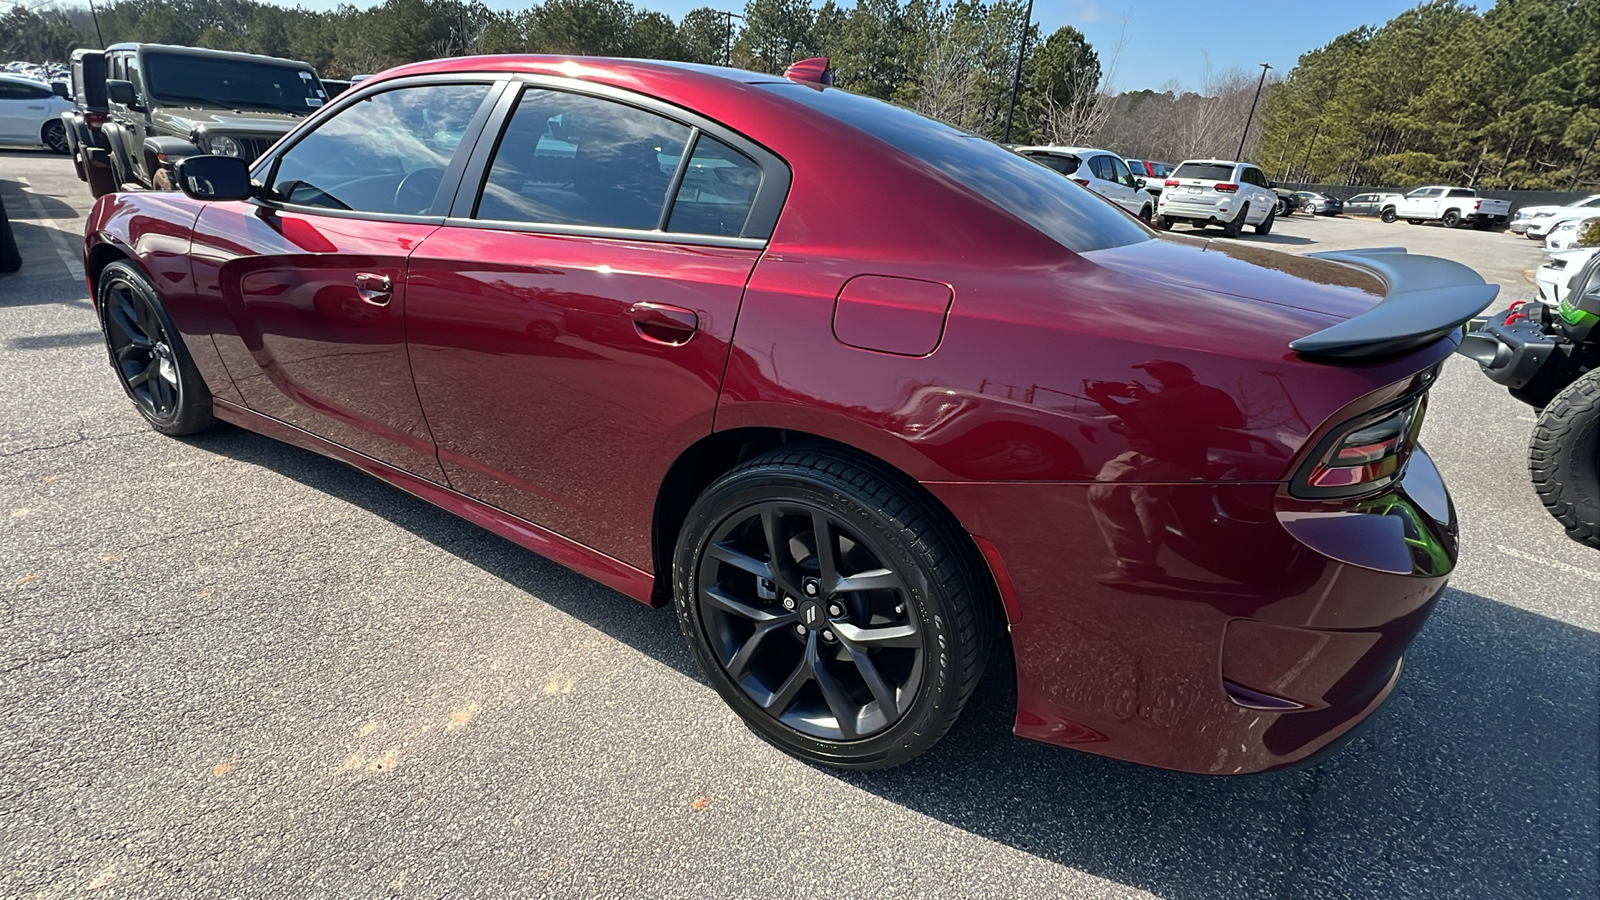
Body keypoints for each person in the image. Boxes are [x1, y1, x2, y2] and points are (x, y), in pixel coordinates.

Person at [1085, 360, 1245, 585]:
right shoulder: (1158, 397)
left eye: (1159, 370)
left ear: (1186, 371)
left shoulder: (1202, 392)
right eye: (1151, 371)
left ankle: (1133, 564)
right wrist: (1103, 399)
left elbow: (1235, 420)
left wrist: (1153, 399)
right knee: (1148, 510)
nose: (1154, 375)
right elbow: (1133, 416)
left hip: (1161, 456)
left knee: (1104, 496)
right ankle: (1140, 562)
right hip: (1159, 457)